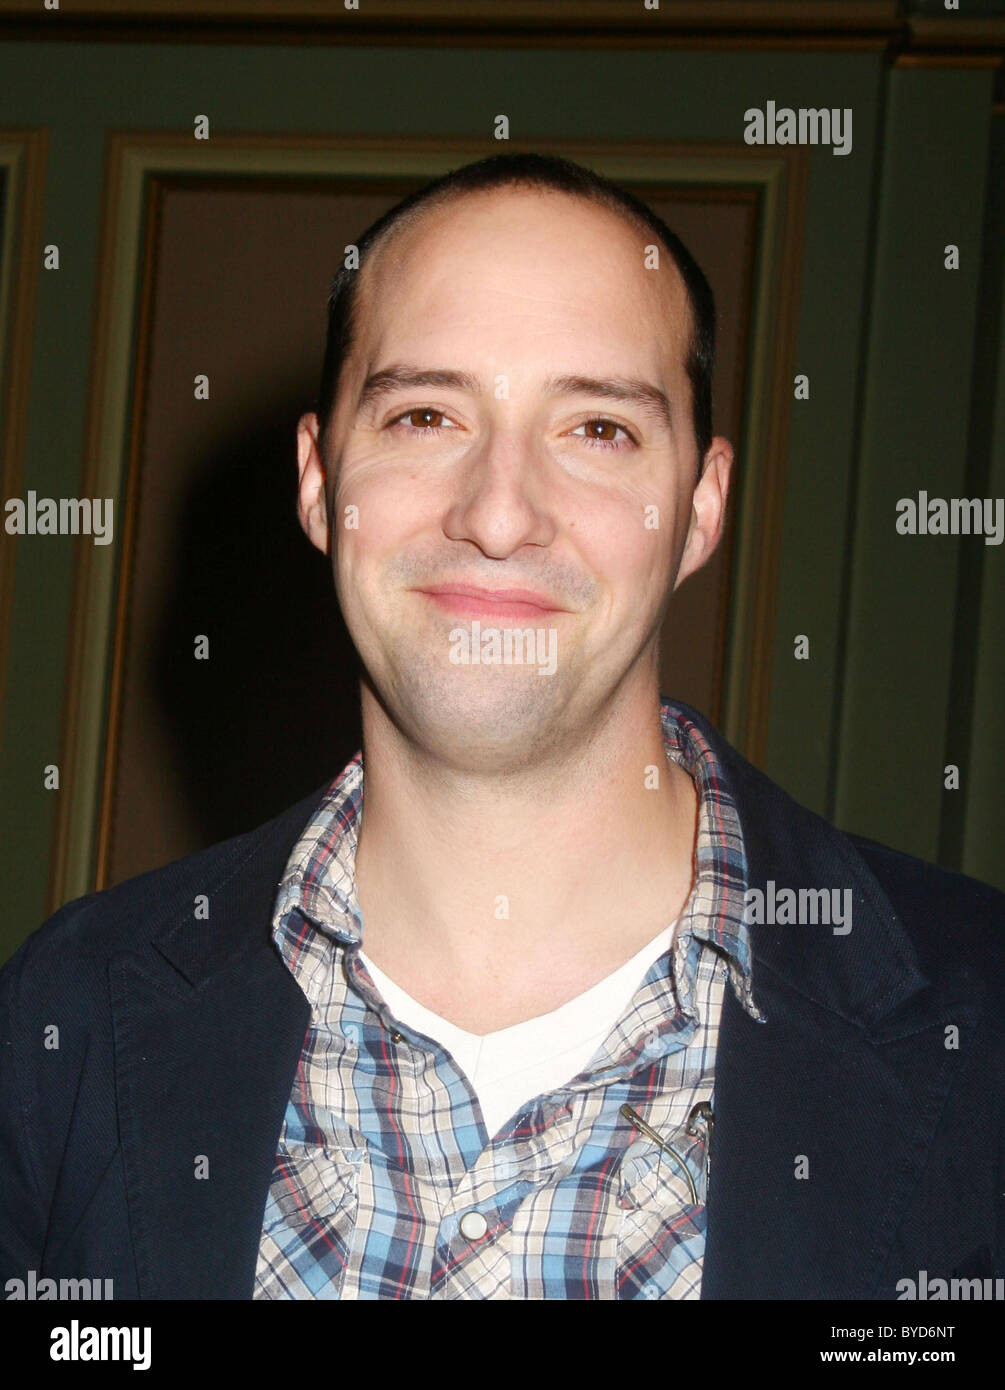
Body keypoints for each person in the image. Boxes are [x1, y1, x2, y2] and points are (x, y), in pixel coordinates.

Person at [2, 153, 1002, 1301]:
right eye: (427, 414)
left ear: (700, 508)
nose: (497, 513)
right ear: (321, 481)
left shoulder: (980, 1027)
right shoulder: (63, 1018)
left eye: (597, 429)